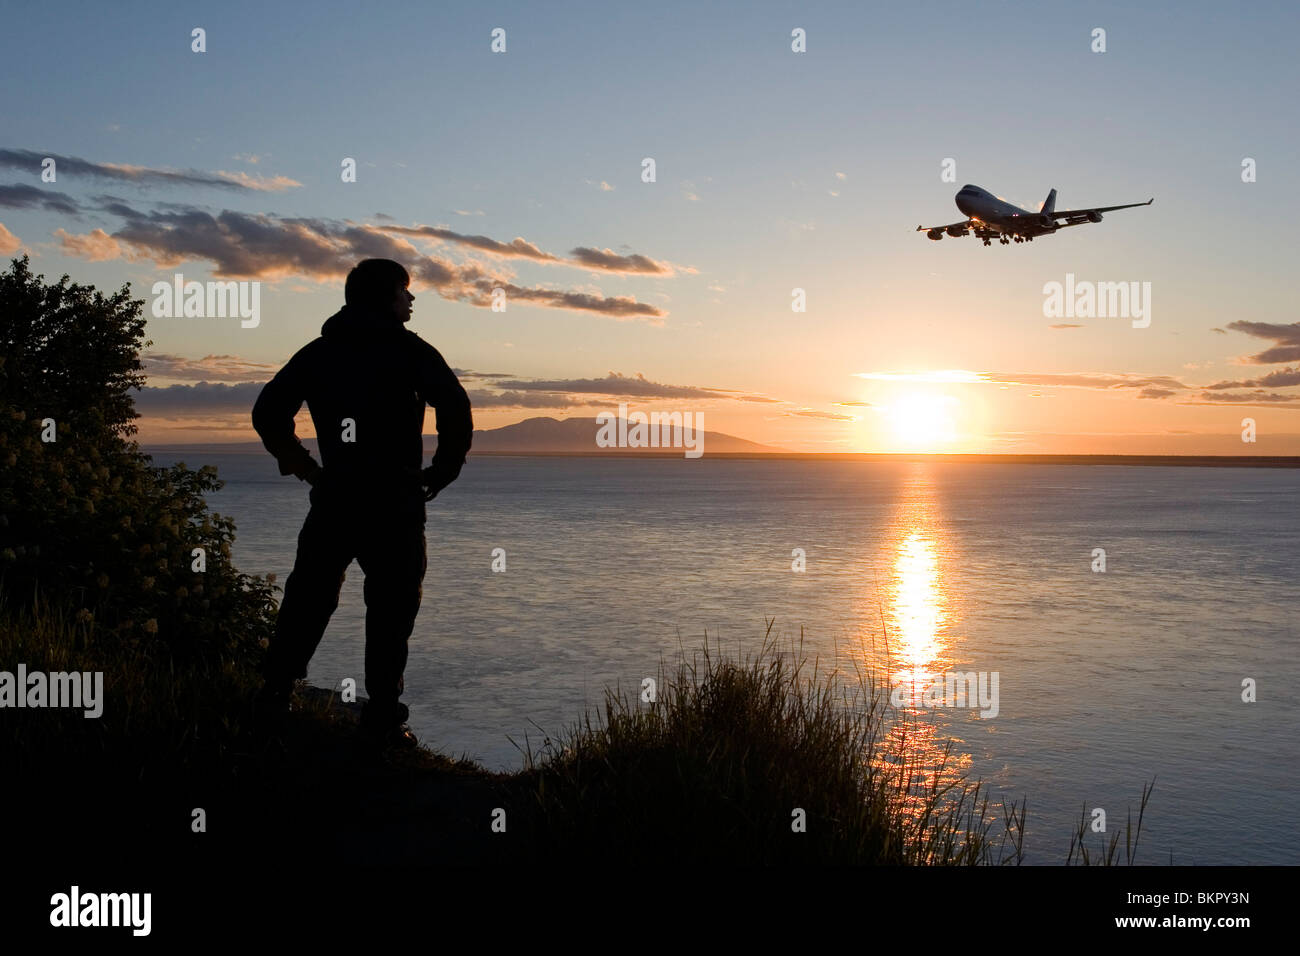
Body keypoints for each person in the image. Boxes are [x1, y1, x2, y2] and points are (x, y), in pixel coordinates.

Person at [250, 258, 473, 749]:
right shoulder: (410, 351)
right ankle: (383, 720)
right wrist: (442, 471)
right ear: (385, 297)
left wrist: (303, 466)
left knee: (309, 596)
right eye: (405, 291)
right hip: (394, 502)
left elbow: (268, 411)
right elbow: (455, 406)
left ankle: (275, 693)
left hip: (337, 497)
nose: (411, 301)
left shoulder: (320, 352)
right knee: (392, 611)